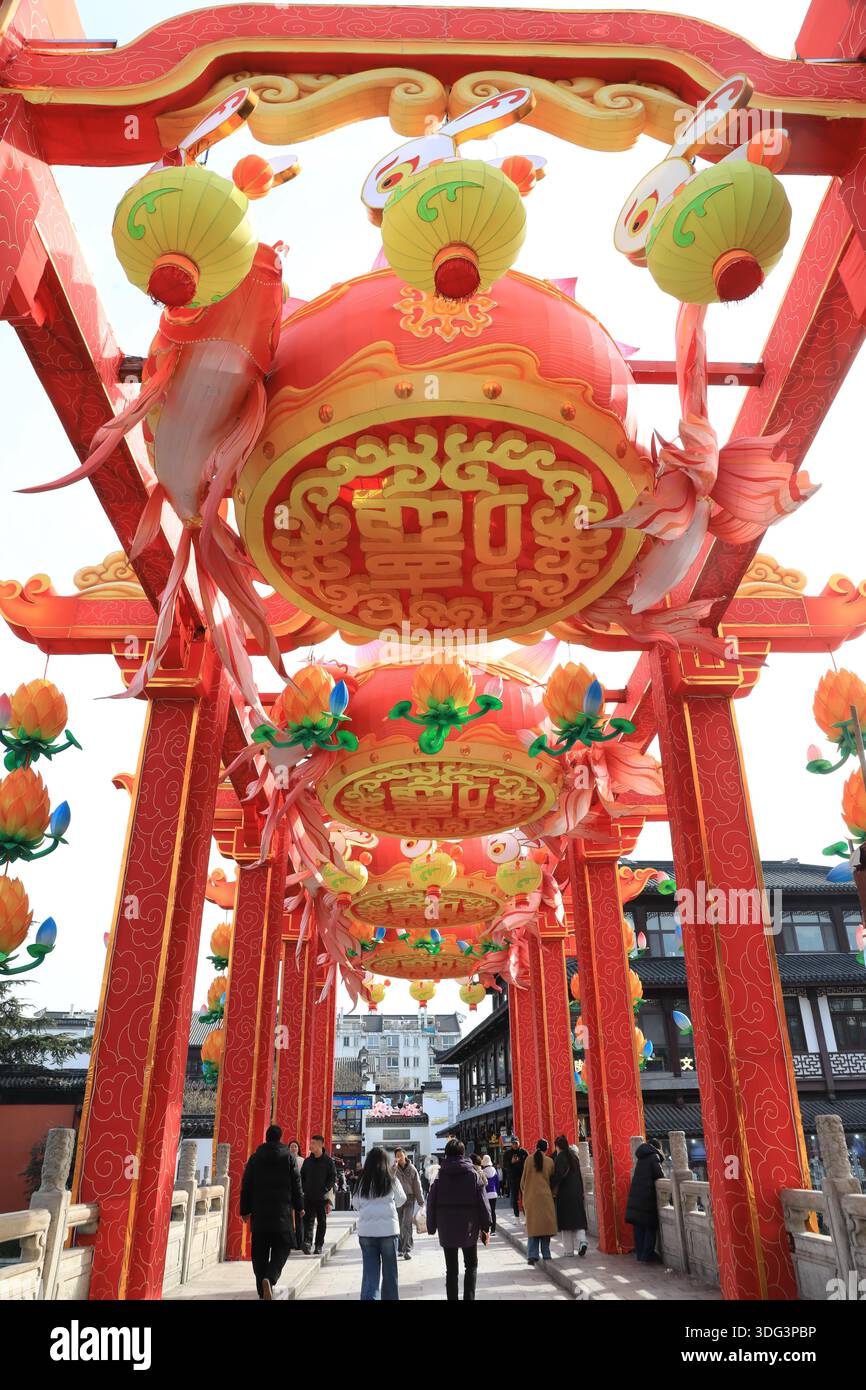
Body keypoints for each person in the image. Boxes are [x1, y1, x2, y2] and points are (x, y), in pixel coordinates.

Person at [239, 1124, 304, 1300]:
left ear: (266, 1138)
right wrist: (300, 1207)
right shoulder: (288, 1158)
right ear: (280, 1138)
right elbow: (296, 1185)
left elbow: (246, 1185)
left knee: (259, 1253)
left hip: (259, 1215)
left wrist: (244, 1210)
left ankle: (262, 1291)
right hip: (282, 1214)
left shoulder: (255, 1158)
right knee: (282, 1248)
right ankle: (270, 1277)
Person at [426, 1138, 491, 1301]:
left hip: (446, 1227)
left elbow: (431, 1203)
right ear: (463, 1154)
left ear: (446, 1154)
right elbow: (483, 1201)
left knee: (451, 1270)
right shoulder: (473, 1174)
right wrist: (486, 1224)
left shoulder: (439, 1176)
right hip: (469, 1226)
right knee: (471, 1265)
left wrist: (431, 1225)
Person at [353, 1146, 405, 1300]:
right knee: (390, 1274)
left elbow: (355, 1204)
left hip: (367, 1233)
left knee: (370, 1274)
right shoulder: (391, 1178)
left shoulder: (362, 1180)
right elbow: (402, 1199)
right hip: (389, 1232)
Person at [626, 1140, 665, 1263]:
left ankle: (640, 1254)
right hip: (647, 1197)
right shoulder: (653, 1156)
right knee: (649, 1226)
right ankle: (647, 1255)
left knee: (639, 1226)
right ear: (657, 1148)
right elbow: (659, 1174)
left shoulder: (641, 1157)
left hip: (637, 1196)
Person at [520, 1139, 557, 1264]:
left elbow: (522, 1182)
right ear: (546, 1149)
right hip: (546, 1198)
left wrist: (526, 1193)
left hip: (530, 1197)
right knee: (545, 1227)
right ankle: (546, 1254)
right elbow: (554, 1182)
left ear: (536, 1147)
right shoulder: (550, 1161)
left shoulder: (528, 1160)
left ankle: (532, 1255)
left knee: (533, 1226)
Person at [551, 1135, 587, 1258]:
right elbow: (580, 1176)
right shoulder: (574, 1157)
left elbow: (558, 1176)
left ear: (557, 1146)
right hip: (576, 1193)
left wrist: (550, 1185)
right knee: (578, 1220)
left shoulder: (559, 1158)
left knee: (565, 1223)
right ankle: (582, 1241)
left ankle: (569, 1251)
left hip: (565, 1194)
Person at [300, 1134, 337, 1255]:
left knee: (322, 1221)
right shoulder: (307, 1161)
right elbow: (302, 1177)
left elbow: (332, 1177)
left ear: (321, 1145)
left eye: (313, 1143)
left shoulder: (328, 1161)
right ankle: (307, 1243)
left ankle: (319, 1245)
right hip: (308, 1196)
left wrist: (326, 1188)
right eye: (311, 1143)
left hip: (322, 1197)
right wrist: (305, 1189)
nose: (311, 1146)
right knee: (308, 1221)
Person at [393, 1148, 425, 1260]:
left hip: (410, 1199)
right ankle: (400, 1248)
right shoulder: (393, 1168)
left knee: (406, 1224)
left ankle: (407, 1249)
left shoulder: (412, 1169)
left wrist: (421, 1201)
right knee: (400, 1224)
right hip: (397, 1200)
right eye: (397, 1155)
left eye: (401, 1155)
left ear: (405, 1155)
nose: (399, 1157)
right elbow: (389, 1180)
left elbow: (417, 1185)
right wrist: (393, 1167)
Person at [286, 1139, 305, 1251]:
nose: (293, 1148)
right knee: (288, 1217)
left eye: (295, 1146)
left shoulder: (302, 1161)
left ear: (298, 1149)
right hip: (288, 1192)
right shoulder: (285, 1160)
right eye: (291, 1146)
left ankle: (299, 1241)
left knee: (299, 1218)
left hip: (299, 1192)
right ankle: (290, 1242)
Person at [504, 1137, 529, 1218]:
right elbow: (505, 1165)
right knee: (515, 1199)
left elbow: (528, 1164)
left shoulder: (524, 1152)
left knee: (525, 1198)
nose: (515, 1145)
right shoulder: (507, 1153)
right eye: (513, 1143)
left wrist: (520, 1161)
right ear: (511, 1144)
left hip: (523, 1178)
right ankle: (517, 1217)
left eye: (516, 1143)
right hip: (513, 1178)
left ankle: (526, 1216)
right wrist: (511, 1162)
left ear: (519, 1143)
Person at [479, 1154, 500, 1233]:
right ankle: (493, 1230)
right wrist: (497, 1191)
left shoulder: (483, 1172)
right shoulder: (494, 1170)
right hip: (494, 1193)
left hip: (486, 1194)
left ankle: (486, 1229)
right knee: (493, 1211)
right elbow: (497, 1182)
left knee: (487, 1212)